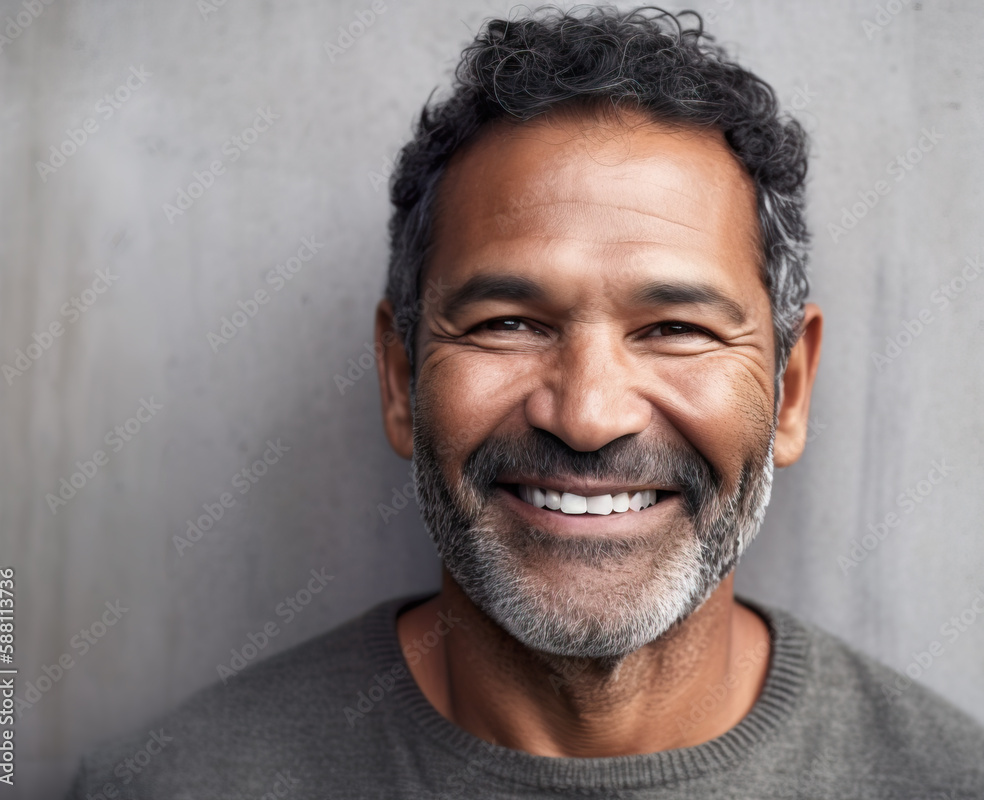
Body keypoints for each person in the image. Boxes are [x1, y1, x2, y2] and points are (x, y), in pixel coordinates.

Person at [66, 6, 984, 798]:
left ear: (787, 390)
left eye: (674, 329)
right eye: (508, 323)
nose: (586, 416)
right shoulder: (175, 786)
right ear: (398, 376)